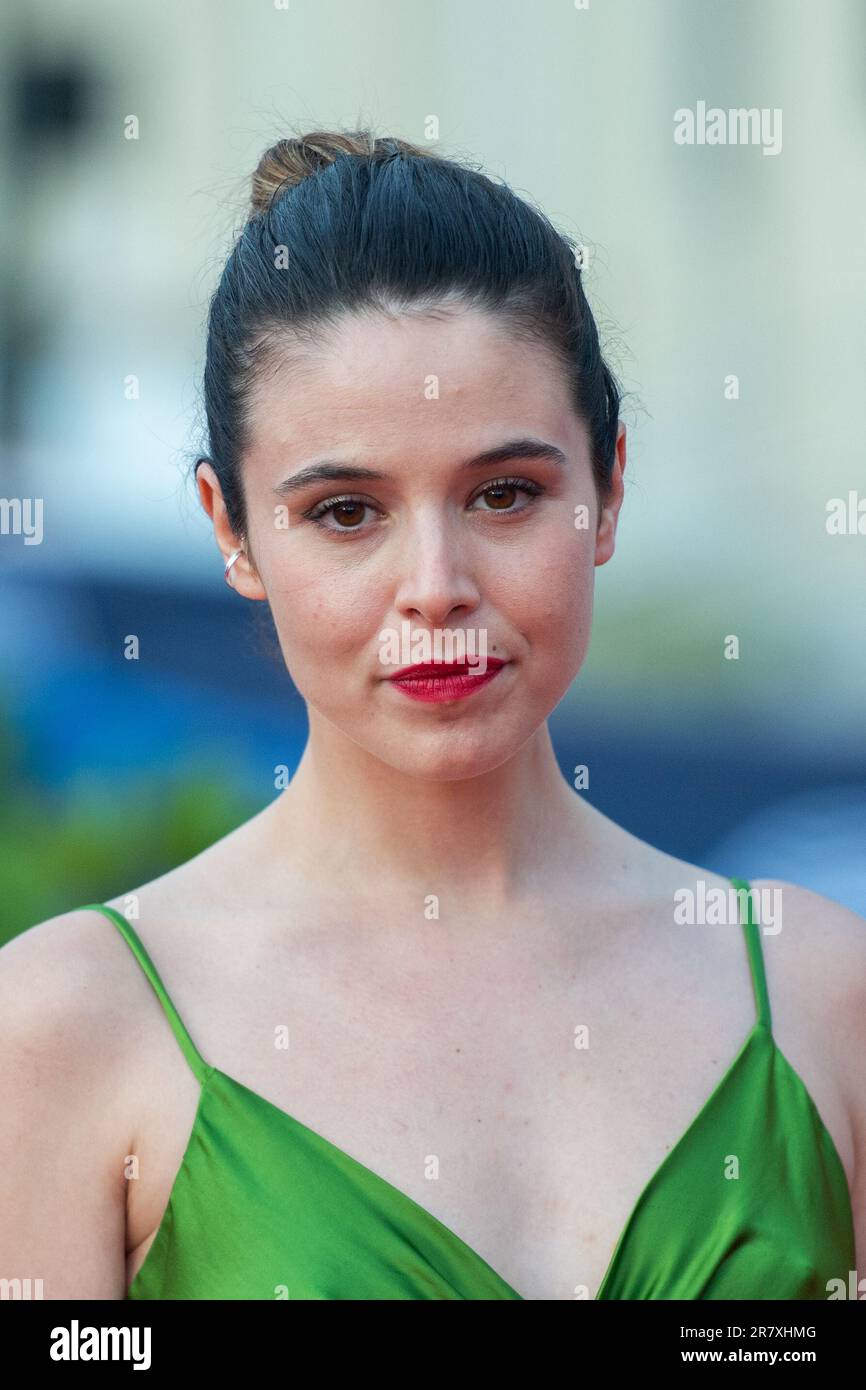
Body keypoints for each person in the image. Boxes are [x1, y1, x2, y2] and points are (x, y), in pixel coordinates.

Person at [1, 129, 864, 1302]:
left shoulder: (817, 989)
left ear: (607, 490)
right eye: (346, 511)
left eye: (504, 494)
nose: (435, 582)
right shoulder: (64, 1027)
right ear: (231, 530)